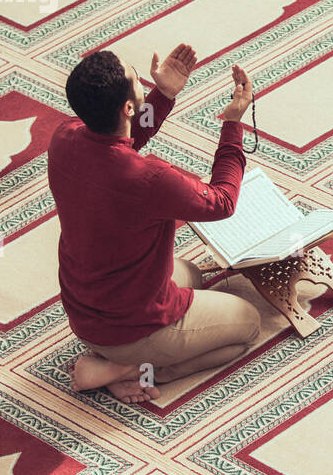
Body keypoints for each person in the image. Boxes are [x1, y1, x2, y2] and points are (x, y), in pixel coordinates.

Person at [48, 45, 261, 404]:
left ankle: (118, 357)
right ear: (129, 108)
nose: (143, 83)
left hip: (85, 308)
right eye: (138, 81)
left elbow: (120, 141)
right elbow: (222, 201)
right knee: (249, 325)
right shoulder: (149, 179)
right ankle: (128, 370)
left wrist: (163, 95)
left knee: (192, 274)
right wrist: (232, 125)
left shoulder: (64, 137)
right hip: (131, 327)